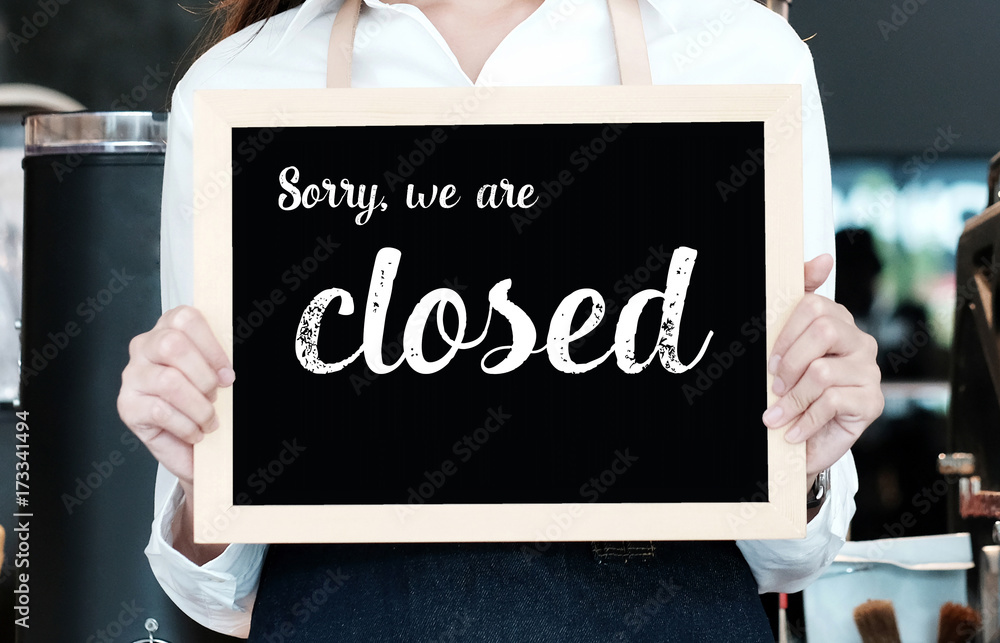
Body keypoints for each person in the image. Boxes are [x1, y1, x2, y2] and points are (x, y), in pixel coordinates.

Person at [117, 0, 884, 639]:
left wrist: (806, 448)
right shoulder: (239, 88)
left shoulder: (744, 59)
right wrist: (199, 465)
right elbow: (215, 585)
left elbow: (790, 554)